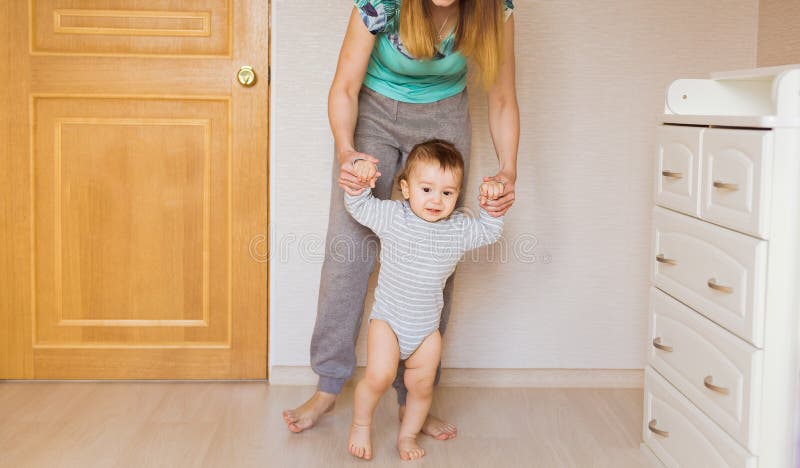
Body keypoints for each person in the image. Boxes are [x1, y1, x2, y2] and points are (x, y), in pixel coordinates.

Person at [282, 0, 520, 439]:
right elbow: (345, 87)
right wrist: (347, 153)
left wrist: (508, 169)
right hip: (373, 109)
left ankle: (414, 397)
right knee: (348, 253)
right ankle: (329, 386)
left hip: (445, 114)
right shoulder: (382, 4)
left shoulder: (494, 9)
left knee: (438, 256)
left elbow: (503, 98)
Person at [344, 140, 505, 460]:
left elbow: (489, 232)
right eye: (427, 189)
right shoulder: (393, 216)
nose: (436, 199)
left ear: (458, 194)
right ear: (405, 188)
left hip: (426, 330)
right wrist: (360, 180)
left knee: (421, 387)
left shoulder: (459, 228)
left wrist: (492, 202)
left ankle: (407, 436)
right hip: (388, 320)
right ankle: (361, 425)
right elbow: (359, 206)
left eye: (447, 193)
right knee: (378, 376)